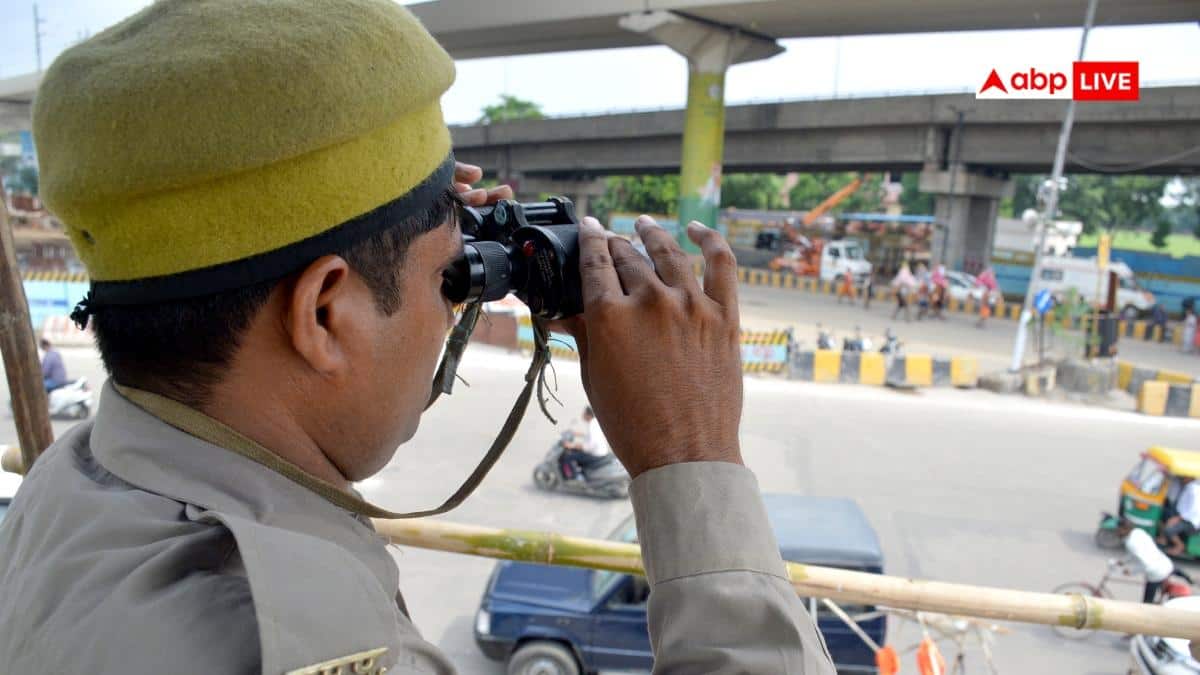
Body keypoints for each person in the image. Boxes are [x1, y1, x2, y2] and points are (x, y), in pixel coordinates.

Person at [0, 2, 834, 674]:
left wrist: (404, 201)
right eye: (450, 277)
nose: (449, 316)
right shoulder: (294, 640)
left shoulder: (63, 490)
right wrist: (693, 455)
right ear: (325, 314)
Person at [1117, 518, 1183, 603]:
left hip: (1157, 573)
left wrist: (1131, 572)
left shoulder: (1130, 543)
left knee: (1146, 604)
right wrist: (1123, 561)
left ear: (1125, 529)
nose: (1117, 531)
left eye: (1119, 529)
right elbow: (1134, 553)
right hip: (1165, 564)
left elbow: (1145, 564)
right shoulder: (1138, 532)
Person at [560, 405, 611, 479]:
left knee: (568, 457)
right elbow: (589, 437)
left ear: (588, 415)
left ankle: (575, 478)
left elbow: (589, 446)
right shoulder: (595, 422)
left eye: (584, 413)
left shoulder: (592, 426)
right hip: (599, 451)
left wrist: (571, 446)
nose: (582, 414)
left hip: (595, 454)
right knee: (574, 451)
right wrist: (575, 433)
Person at [1163, 477, 1200, 556]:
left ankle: (1179, 546)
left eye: (1184, 477)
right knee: (1165, 513)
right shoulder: (1189, 487)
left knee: (1168, 529)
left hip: (1190, 522)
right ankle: (1164, 538)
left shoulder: (1193, 489)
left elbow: (1194, 510)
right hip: (1183, 516)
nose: (1181, 479)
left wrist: (1177, 519)